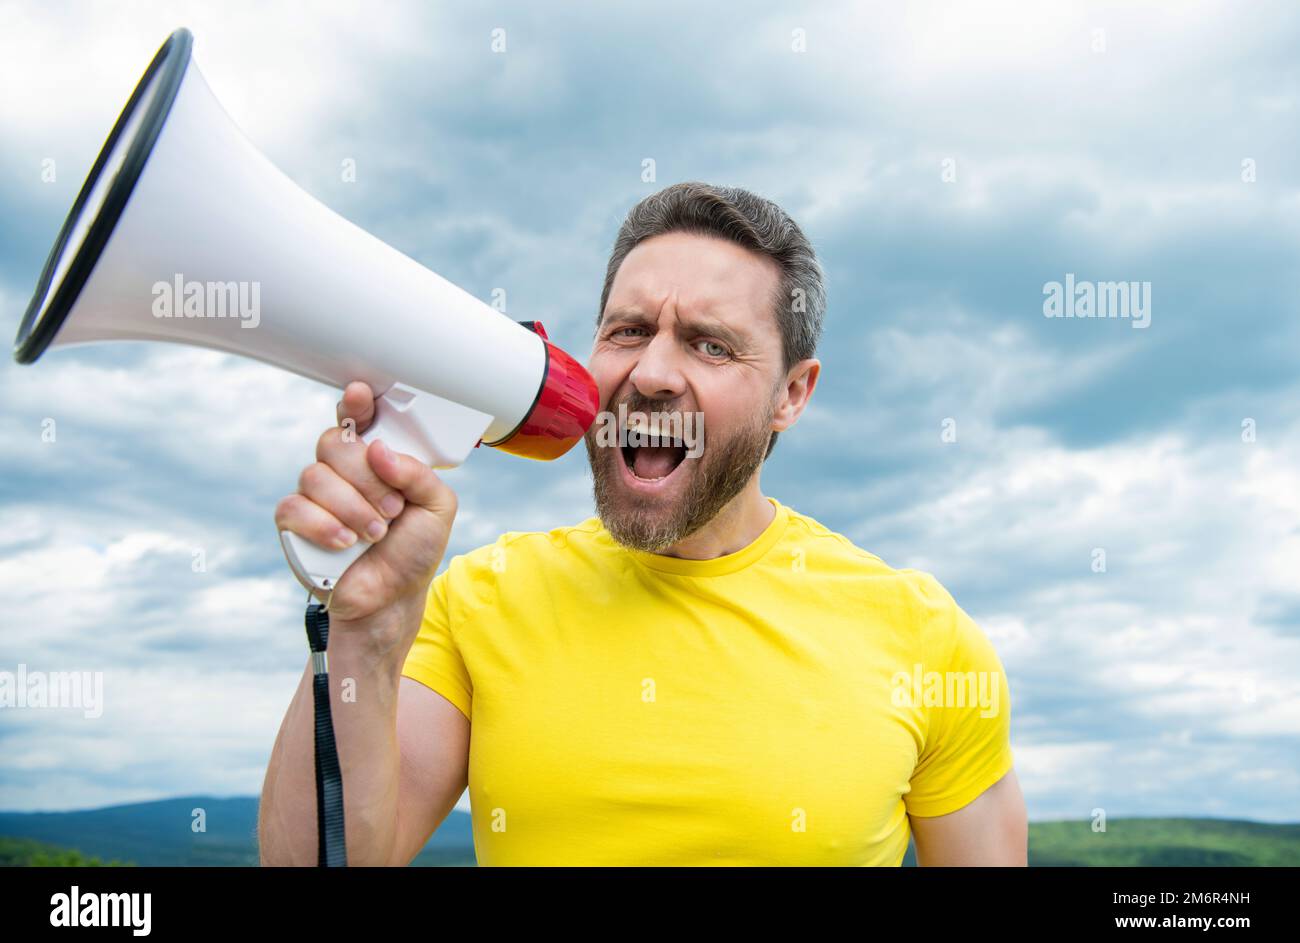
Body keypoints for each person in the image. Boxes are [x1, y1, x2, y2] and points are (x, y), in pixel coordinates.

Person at [258, 182, 1027, 866]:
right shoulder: (480, 599)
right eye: (627, 332)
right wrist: (365, 626)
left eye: (710, 345)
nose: (652, 374)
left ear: (792, 395)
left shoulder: (925, 636)